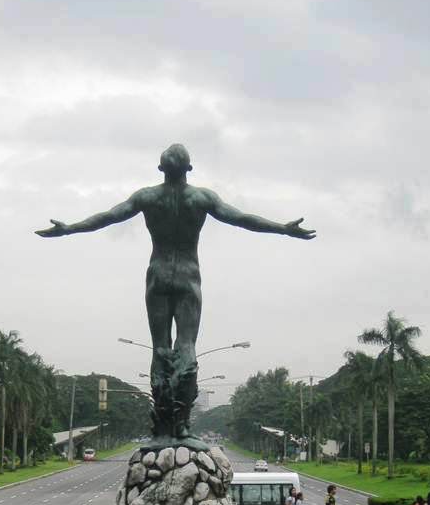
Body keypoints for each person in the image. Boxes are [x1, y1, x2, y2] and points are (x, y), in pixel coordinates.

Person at [36, 145, 315, 438]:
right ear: (189, 169)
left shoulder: (147, 197)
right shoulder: (202, 198)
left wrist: (69, 228)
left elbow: (108, 216)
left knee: (160, 347)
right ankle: (180, 423)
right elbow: (242, 218)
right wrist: (283, 229)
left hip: (157, 276)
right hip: (187, 278)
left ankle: (163, 423)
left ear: (160, 169)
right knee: (186, 347)